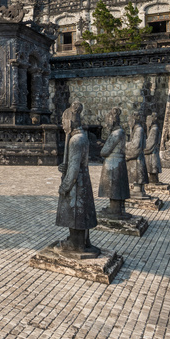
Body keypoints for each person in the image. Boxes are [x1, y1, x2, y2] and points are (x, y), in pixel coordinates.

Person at [55, 102, 97, 252]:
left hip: (77, 183)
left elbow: (73, 169)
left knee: (76, 212)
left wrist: (64, 186)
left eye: (62, 121)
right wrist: (63, 168)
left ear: (69, 121)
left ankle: (76, 243)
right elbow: (73, 163)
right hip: (82, 179)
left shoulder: (75, 140)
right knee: (81, 212)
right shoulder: (81, 136)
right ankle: (81, 240)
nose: (62, 125)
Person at [97, 108, 131, 218]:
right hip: (118, 163)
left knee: (114, 187)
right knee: (117, 187)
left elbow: (104, 151)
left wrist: (102, 147)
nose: (106, 125)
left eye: (107, 122)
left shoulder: (116, 133)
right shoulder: (120, 132)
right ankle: (116, 207)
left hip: (113, 165)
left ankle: (114, 209)